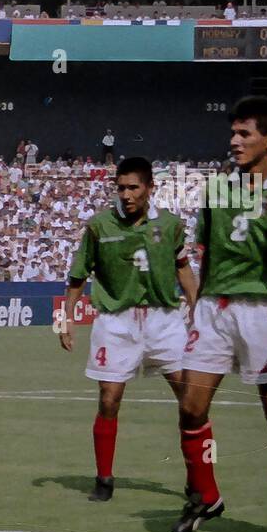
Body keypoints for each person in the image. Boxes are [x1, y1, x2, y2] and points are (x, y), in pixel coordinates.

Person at [174, 97, 267, 532]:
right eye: (232, 133)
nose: (234, 142)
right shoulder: (217, 190)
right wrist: (198, 300)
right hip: (215, 309)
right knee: (191, 406)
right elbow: (208, 251)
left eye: (244, 134)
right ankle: (206, 496)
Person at [58, 157, 197, 501]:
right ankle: (104, 480)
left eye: (134, 187)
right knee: (109, 399)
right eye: (120, 187)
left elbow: (183, 269)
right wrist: (66, 318)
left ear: (151, 188)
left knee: (192, 403)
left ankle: (198, 480)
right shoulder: (99, 226)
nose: (126, 194)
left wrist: (199, 308)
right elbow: (77, 277)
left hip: (164, 320)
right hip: (116, 323)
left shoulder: (171, 225)